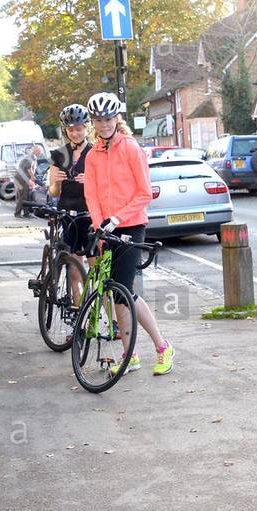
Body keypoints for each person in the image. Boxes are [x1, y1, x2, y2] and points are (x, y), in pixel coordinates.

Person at [83, 92, 175, 376]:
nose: (104, 124)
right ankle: (129, 355)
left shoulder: (131, 148)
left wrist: (117, 218)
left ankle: (162, 347)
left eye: (108, 119)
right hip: (106, 229)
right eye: (99, 120)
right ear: (93, 122)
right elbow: (91, 194)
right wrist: (100, 224)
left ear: (116, 119)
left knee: (124, 290)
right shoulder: (93, 155)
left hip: (131, 225)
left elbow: (144, 193)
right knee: (115, 292)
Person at [49, 104, 94, 302]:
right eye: (70, 129)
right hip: (68, 216)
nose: (75, 133)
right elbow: (53, 192)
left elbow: (107, 188)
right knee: (74, 271)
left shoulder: (95, 152)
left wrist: (90, 182)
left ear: (86, 127)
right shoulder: (59, 155)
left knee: (95, 269)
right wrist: (57, 182)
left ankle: (101, 312)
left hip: (90, 216)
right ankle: (78, 312)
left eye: (78, 128)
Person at [13, 144, 46, 218]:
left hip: (23, 179)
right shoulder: (31, 157)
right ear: (36, 151)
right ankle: (17, 213)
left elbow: (31, 171)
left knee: (26, 196)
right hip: (21, 179)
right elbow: (29, 169)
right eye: (40, 152)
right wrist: (35, 179)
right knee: (22, 197)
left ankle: (26, 213)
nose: (40, 153)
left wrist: (34, 179)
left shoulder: (32, 157)